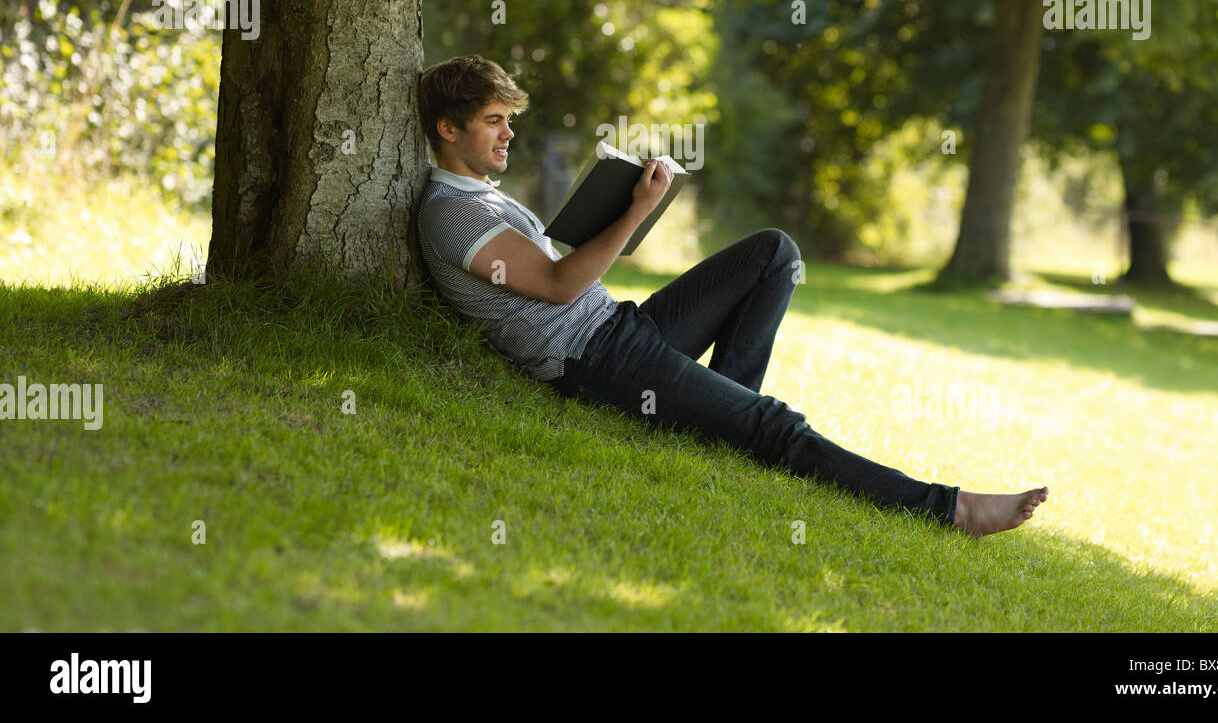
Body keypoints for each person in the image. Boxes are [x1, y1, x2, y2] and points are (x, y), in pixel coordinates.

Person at [415, 55, 1048, 538]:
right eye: (494, 121)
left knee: (773, 253)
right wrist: (634, 212)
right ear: (448, 127)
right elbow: (558, 285)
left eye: (509, 121)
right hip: (593, 360)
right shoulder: (449, 212)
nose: (507, 135)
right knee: (779, 425)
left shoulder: (483, 195)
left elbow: (560, 269)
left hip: (620, 328)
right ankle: (951, 507)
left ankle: (727, 418)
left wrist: (616, 211)